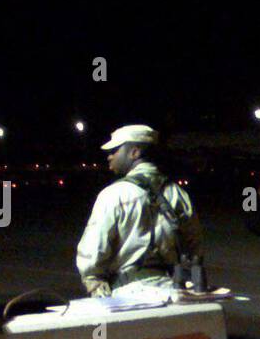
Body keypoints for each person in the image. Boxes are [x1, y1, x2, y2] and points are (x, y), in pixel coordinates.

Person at [76, 124, 204, 296]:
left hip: (127, 293)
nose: (109, 156)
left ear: (134, 152)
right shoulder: (178, 194)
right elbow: (194, 247)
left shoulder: (114, 194)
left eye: (114, 150)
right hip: (173, 291)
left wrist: (93, 280)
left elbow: (94, 250)